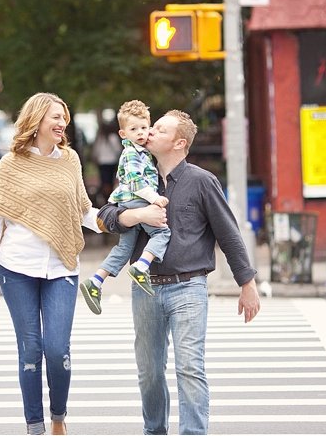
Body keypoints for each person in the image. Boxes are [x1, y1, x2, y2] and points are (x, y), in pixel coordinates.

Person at [98, 109, 261, 435]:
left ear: (179, 142)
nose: (150, 132)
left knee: (190, 367)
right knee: (150, 373)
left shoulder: (202, 181)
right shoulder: (140, 177)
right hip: (144, 288)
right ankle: (154, 431)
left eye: (160, 129)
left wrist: (248, 283)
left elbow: (228, 234)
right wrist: (137, 214)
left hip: (189, 286)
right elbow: (106, 217)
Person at [0, 92, 102, 436]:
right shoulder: (10, 164)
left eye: (64, 118)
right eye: (55, 117)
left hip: (62, 267)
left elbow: (83, 211)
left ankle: (58, 416)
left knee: (57, 350)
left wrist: (116, 219)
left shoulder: (70, 160)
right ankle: (35, 427)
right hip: (17, 268)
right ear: (36, 121)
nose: (62, 123)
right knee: (30, 351)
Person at [80, 100, 171, 315]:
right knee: (162, 233)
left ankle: (96, 281)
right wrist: (154, 198)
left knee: (124, 248)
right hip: (136, 199)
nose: (140, 133)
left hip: (129, 201)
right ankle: (141, 267)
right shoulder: (132, 153)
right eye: (133, 129)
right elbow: (135, 181)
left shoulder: (141, 150)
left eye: (144, 127)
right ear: (123, 133)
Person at [91, 119, 122, 204]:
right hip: (112, 162)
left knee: (104, 181)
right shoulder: (113, 137)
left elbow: (96, 151)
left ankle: (105, 198)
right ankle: (110, 198)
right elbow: (118, 150)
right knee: (111, 181)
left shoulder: (100, 138)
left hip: (102, 163)